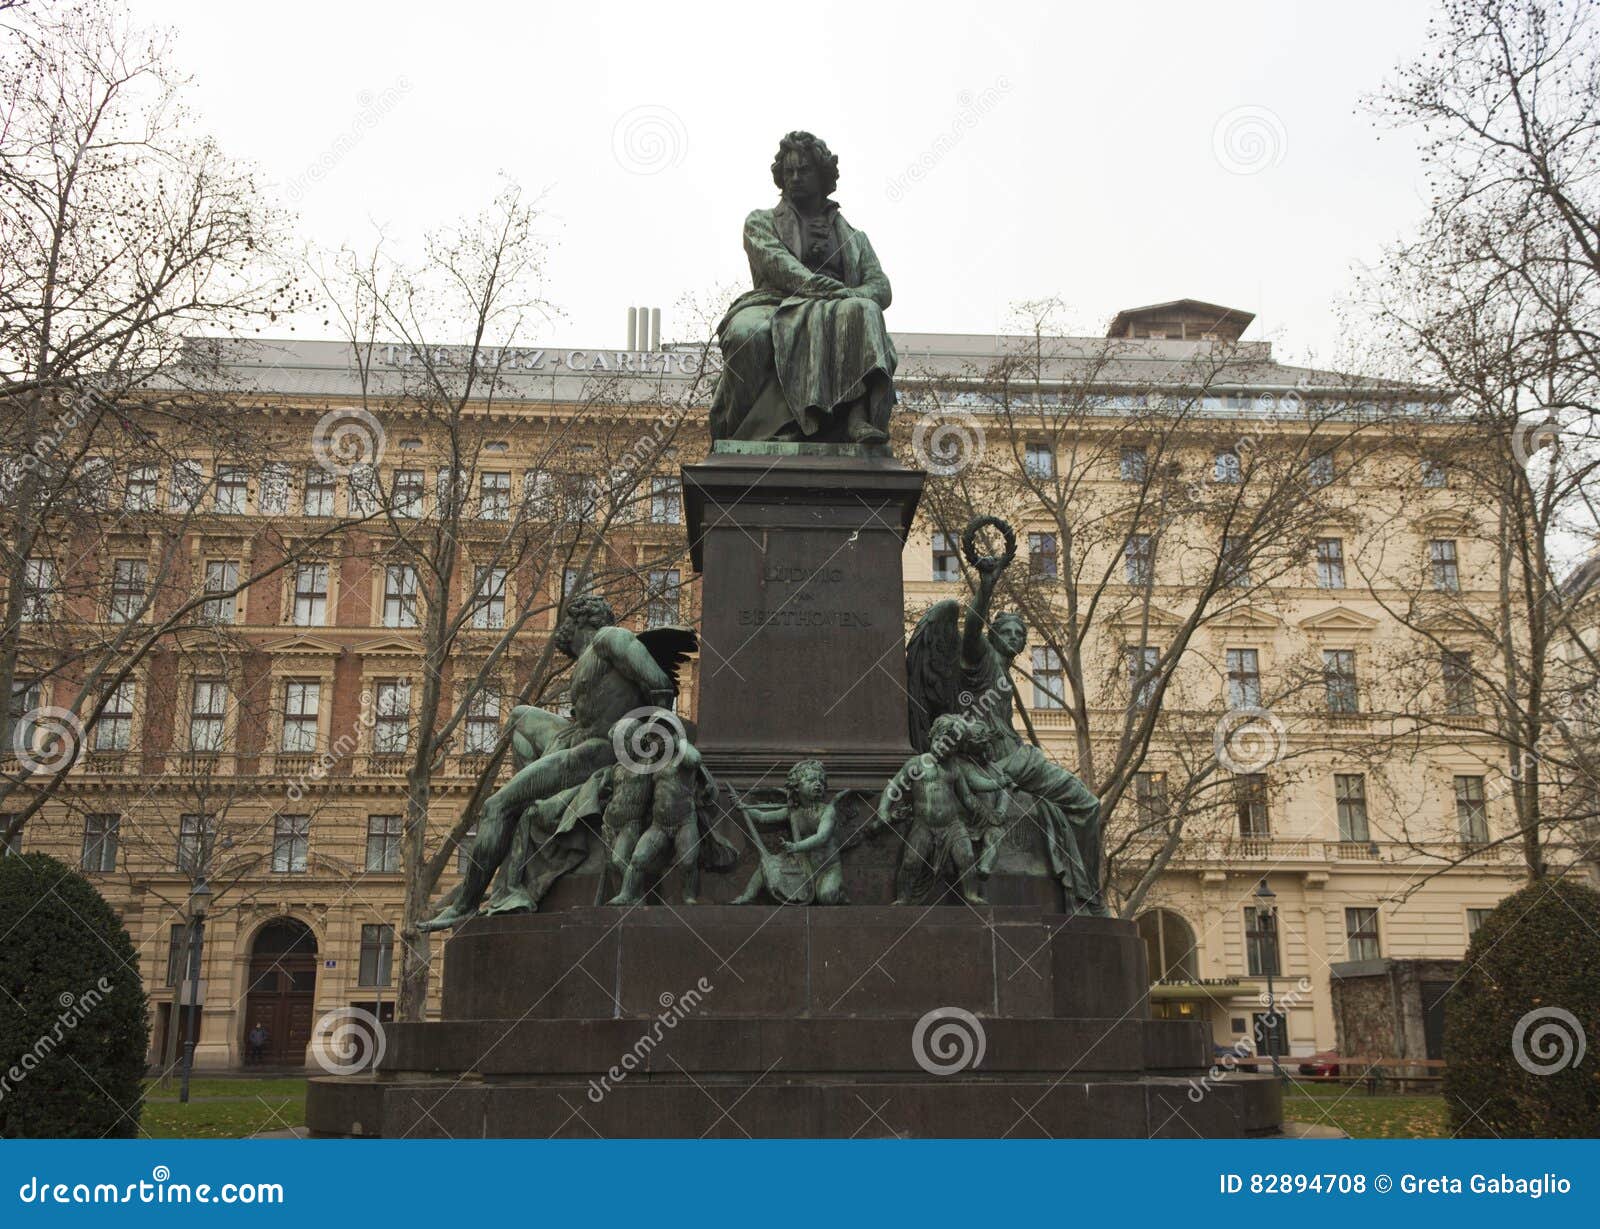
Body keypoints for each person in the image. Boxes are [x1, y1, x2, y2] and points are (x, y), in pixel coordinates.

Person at [420, 595, 675, 931]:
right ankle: (534, 799)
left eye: (564, 625)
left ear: (577, 621)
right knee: (519, 716)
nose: (561, 634)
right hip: (577, 739)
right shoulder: (589, 657)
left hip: (600, 749)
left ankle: (465, 905)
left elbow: (660, 685)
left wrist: (649, 744)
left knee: (496, 806)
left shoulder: (610, 638)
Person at [709, 131, 897, 445]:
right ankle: (752, 433)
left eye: (804, 170)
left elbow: (880, 287)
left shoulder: (854, 238)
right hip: (773, 303)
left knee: (863, 310)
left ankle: (856, 417)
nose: (795, 177)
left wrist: (848, 296)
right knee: (747, 334)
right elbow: (781, 266)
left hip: (836, 307)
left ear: (822, 174)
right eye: (789, 172)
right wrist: (827, 290)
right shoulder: (760, 222)